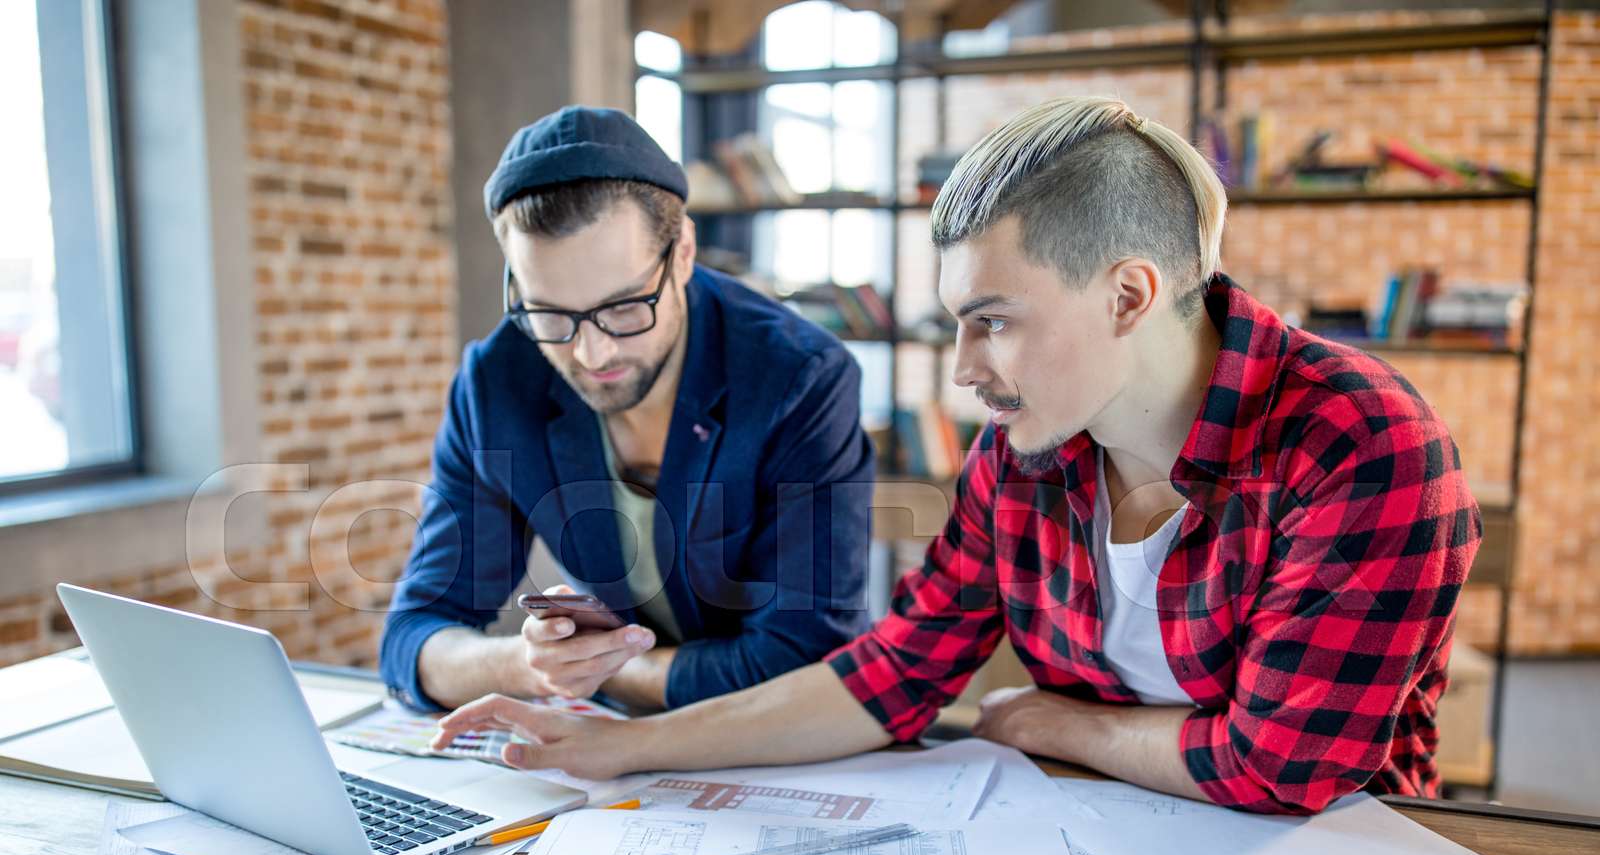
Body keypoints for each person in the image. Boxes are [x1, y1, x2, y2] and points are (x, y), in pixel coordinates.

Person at [431, 96, 1481, 816]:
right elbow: (888, 676)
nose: (963, 372)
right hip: (1094, 837)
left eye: (993, 322)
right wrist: (620, 745)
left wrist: (1063, 722)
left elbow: (1283, 765)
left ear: (1128, 296)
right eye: (954, 326)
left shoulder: (1361, 444)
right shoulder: (1022, 458)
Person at [380, 107, 874, 712]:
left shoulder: (799, 378)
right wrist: (525, 661)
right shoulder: (494, 383)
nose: (591, 352)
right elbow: (413, 637)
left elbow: (807, 657)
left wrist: (603, 671)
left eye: (623, 307)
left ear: (684, 252)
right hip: (616, 758)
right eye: (550, 314)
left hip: (770, 741)